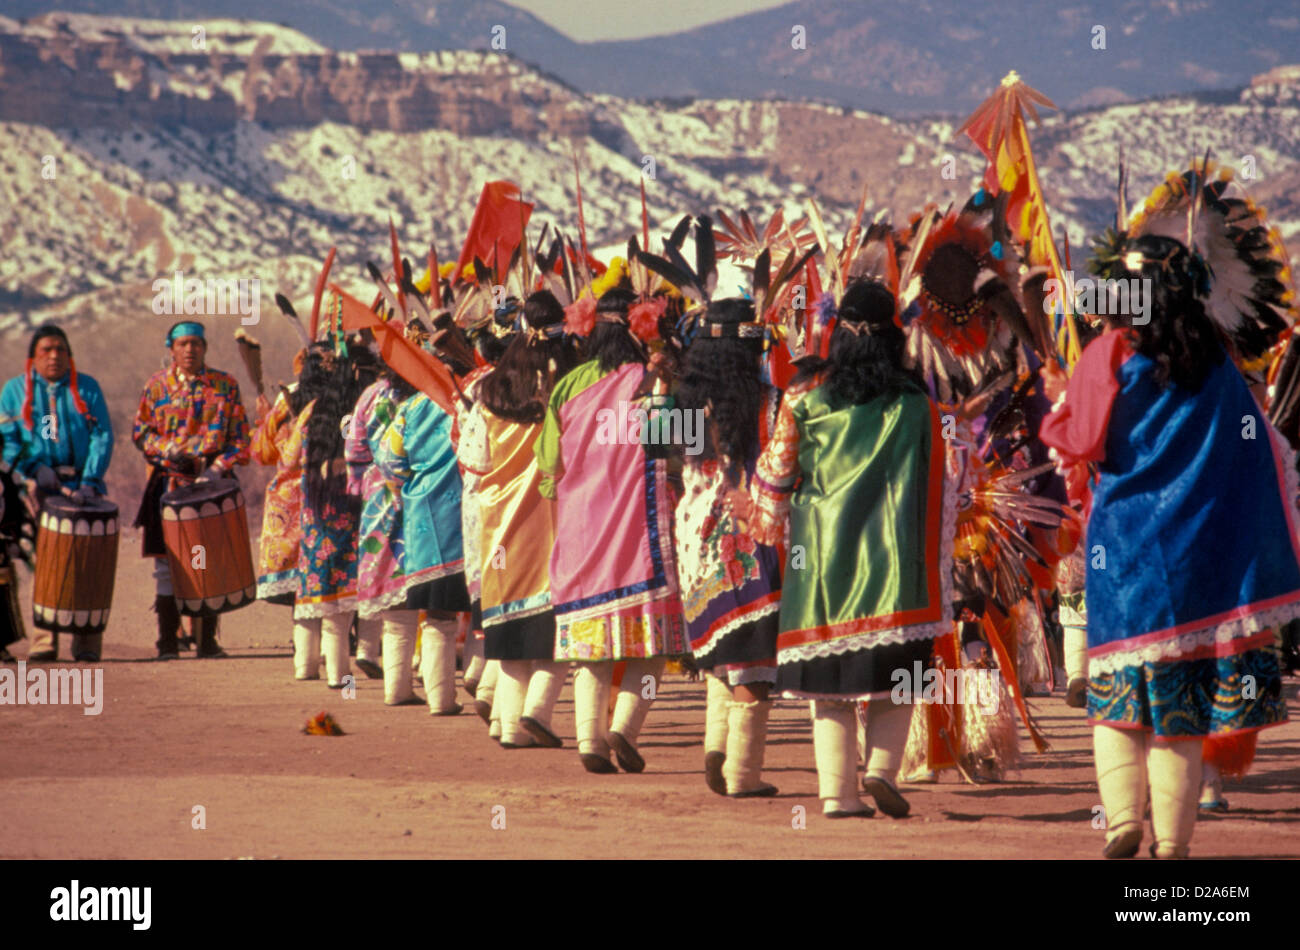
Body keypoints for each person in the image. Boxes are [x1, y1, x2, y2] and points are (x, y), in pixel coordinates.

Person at [1039, 234, 1299, 859]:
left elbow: (1075, 448)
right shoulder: (1217, 367)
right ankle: (1172, 845)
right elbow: (1261, 453)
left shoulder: (1106, 356)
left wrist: (1061, 396)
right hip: (1198, 560)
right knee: (1180, 710)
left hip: (1123, 556)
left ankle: (1124, 816)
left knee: (1117, 698)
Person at [751, 279, 951, 819]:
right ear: (894, 338)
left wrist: (769, 526)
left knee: (831, 690)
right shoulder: (918, 406)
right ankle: (882, 771)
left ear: (837, 334)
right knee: (898, 679)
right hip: (897, 569)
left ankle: (839, 795)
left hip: (821, 567)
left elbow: (773, 480)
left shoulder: (804, 398)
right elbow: (949, 486)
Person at [536, 287, 688, 774]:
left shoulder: (567, 386)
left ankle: (589, 741)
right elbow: (684, 445)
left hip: (582, 532)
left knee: (591, 651)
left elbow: (548, 466)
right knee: (653, 646)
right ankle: (626, 725)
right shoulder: (654, 381)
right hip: (643, 538)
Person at [672, 297, 783, 796]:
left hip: (695, 542)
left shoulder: (679, 406)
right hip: (747, 536)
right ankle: (741, 775)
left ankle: (717, 749)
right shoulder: (771, 403)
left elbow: (663, 462)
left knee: (722, 649)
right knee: (754, 661)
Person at [460, 290, 580, 748]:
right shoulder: (570, 383)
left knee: (510, 633)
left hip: (500, 527)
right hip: (552, 519)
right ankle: (537, 712)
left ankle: (509, 725)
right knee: (557, 626)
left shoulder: (490, 387)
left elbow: (472, 459)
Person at [132, 320, 249, 659]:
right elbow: (141, 432)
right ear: (171, 349)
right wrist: (164, 448)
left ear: (205, 347)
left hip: (211, 486)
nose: (189, 349)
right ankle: (167, 641)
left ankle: (207, 641)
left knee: (206, 562)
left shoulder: (225, 386)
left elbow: (241, 438)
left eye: (196, 343)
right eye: (182, 344)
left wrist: (217, 468)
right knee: (168, 564)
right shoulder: (156, 387)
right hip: (168, 483)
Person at [0, 323, 114, 661]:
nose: (53, 356)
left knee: (88, 561)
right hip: (34, 488)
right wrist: (34, 469)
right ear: (32, 357)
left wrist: (90, 481)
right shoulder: (14, 391)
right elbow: (8, 438)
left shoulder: (87, 388)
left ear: (70, 355)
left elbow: (102, 435)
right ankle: (43, 640)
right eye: (46, 350)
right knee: (45, 561)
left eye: (60, 349)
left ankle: (87, 641)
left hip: (83, 485)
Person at [374, 351, 471, 717]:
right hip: (465, 515)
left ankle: (440, 699)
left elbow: (389, 462)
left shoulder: (410, 409)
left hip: (420, 521)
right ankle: (463, 693)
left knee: (435, 612)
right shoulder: (468, 405)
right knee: (466, 610)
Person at [288, 342, 366, 688]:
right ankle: (341, 676)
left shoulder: (309, 416)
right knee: (341, 604)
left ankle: (304, 665)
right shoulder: (357, 418)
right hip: (347, 516)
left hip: (313, 516)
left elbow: (285, 456)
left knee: (312, 592)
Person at [345, 363, 421, 700]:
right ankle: (400, 686)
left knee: (386, 577)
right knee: (409, 585)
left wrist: (363, 481)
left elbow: (354, 448)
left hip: (377, 493)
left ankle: (395, 684)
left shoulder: (369, 395)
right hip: (418, 489)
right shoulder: (423, 393)